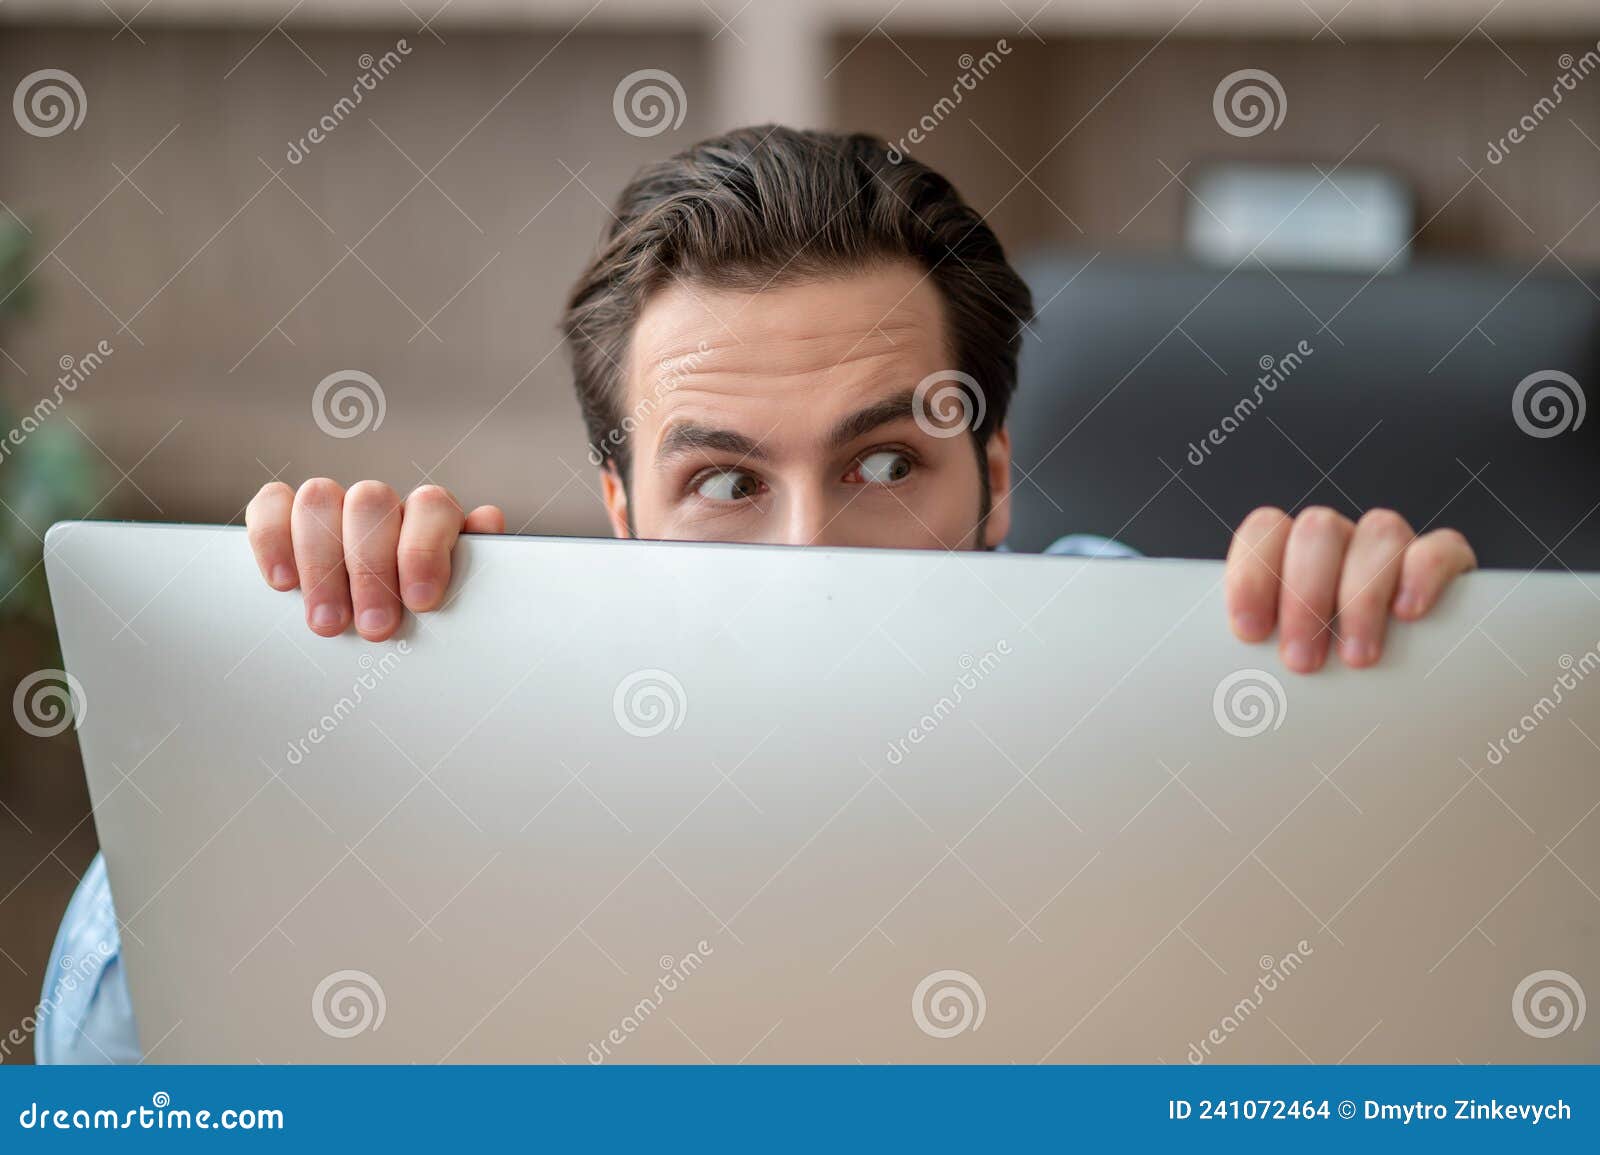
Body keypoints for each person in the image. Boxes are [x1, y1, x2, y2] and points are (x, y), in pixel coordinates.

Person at [37, 126, 1475, 1062]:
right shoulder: (480, 735)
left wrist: (1414, 715)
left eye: (886, 465)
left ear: (997, 484)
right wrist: (294, 743)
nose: (807, 563)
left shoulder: (1187, 696)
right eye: (727, 485)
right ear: (621, 510)